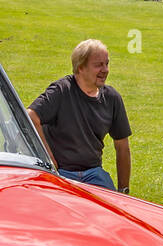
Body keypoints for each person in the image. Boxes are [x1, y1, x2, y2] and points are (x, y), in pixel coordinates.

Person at [27, 39, 132, 193]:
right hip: (61, 173)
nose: (105, 70)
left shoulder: (112, 98)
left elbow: (122, 146)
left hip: (94, 173)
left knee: (112, 212)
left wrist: (123, 191)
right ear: (81, 68)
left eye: (106, 64)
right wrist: (49, 160)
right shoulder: (62, 90)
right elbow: (30, 117)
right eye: (98, 65)